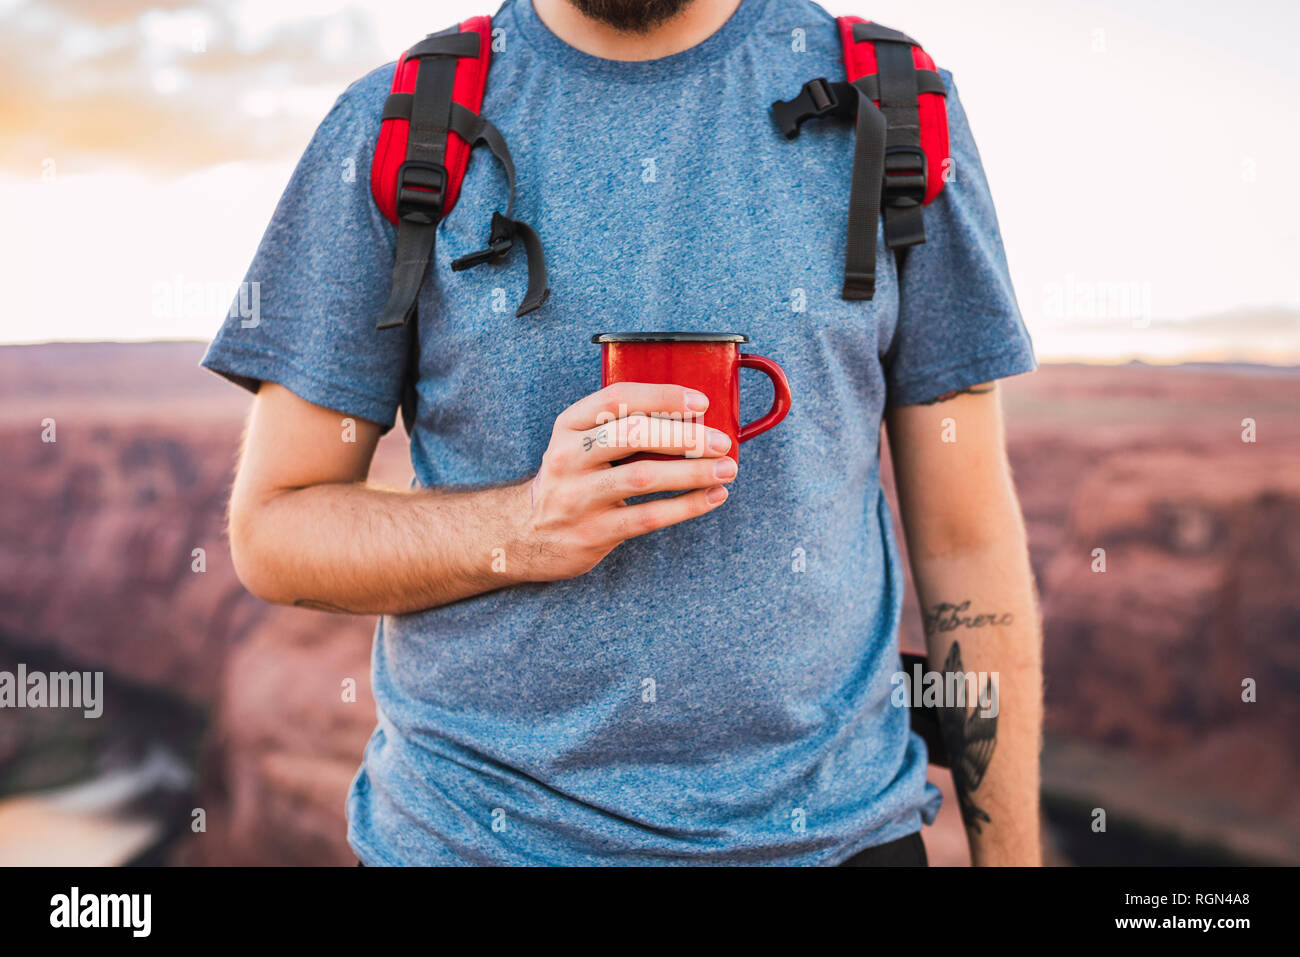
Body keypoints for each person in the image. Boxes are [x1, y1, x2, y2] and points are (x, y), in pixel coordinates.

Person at [202, 0, 1042, 866]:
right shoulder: (402, 122)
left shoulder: (895, 106)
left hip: (838, 845)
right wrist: (521, 528)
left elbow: (968, 544)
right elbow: (275, 527)